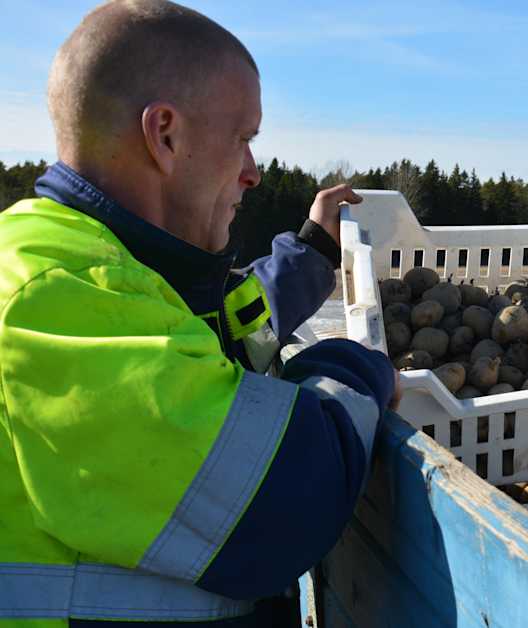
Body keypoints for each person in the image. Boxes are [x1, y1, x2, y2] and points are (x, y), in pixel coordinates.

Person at [0, 1, 398, 626]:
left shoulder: (129, 269)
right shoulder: (55, 295)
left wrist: (314, 252)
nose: (254, 173)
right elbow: (282, 501)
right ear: (165, 135)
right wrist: (358, 366)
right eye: (242, 139)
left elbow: (231, 331)